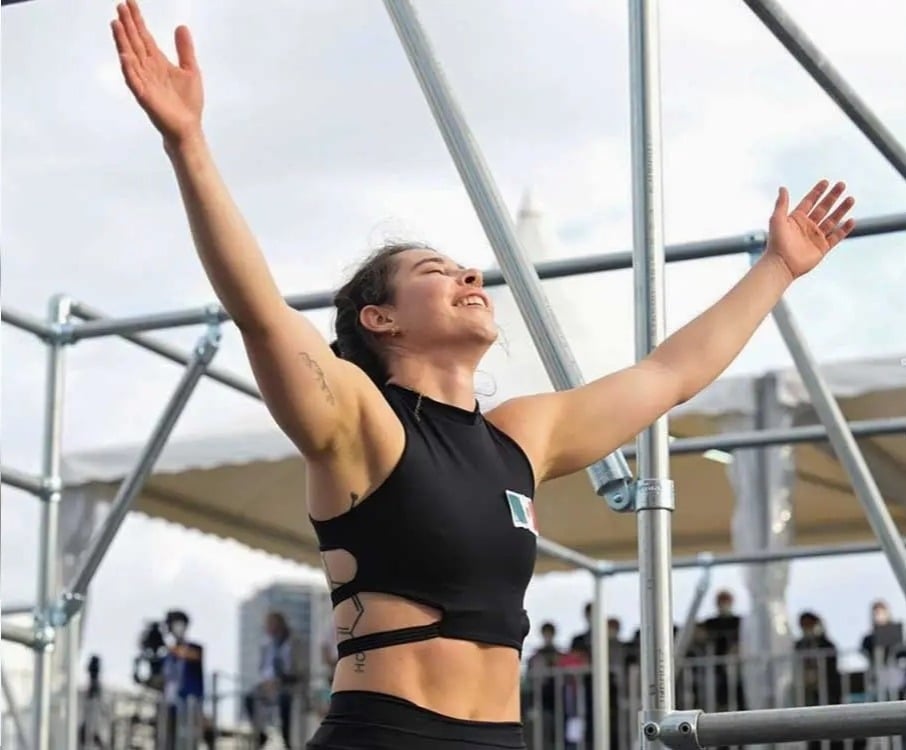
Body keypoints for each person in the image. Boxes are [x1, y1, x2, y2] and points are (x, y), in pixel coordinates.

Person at [110, 2, 857, 747]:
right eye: (435, 271)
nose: (470, 273)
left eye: (466, 267)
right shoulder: (359, 421)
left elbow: (671, 374)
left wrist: (778, 268)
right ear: (380, 320)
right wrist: (189, 144)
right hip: (385, 734)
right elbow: (261, 312)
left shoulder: (521, 435)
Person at [244, 612, 305, 749]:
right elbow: (263, 668)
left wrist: (280, 680)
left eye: (271, 624)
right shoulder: (266, 644)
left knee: (285, 700)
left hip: (289, 684)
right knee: (249, 697)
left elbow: (300, 670)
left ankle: (287, 740)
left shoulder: (294, 642)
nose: (268, 628)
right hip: (268, 684)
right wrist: (267, 682)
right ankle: (260, 734)